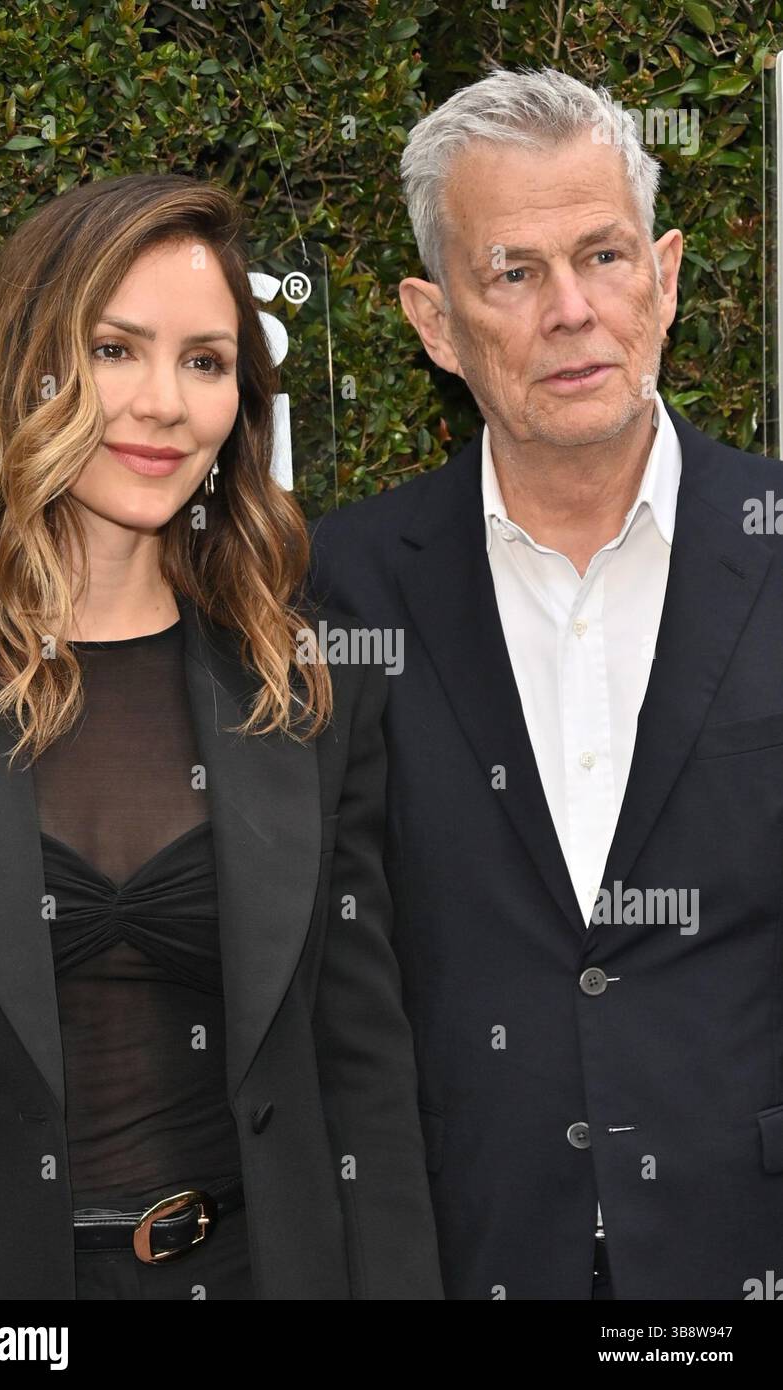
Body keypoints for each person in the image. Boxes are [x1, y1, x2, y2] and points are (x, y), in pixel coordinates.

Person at [0, 172, 443, 1301]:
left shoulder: (304, 689)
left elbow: (360, 1071)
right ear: (26, 365)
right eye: (115, 349)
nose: (164, 403)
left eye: (205, 361)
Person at [308, 65, 783, 1300]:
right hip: (464, 1258)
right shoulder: (334, 588)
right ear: (432, 321)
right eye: (512, 272)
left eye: (604, 257)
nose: (570, 311)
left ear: (666, 276)